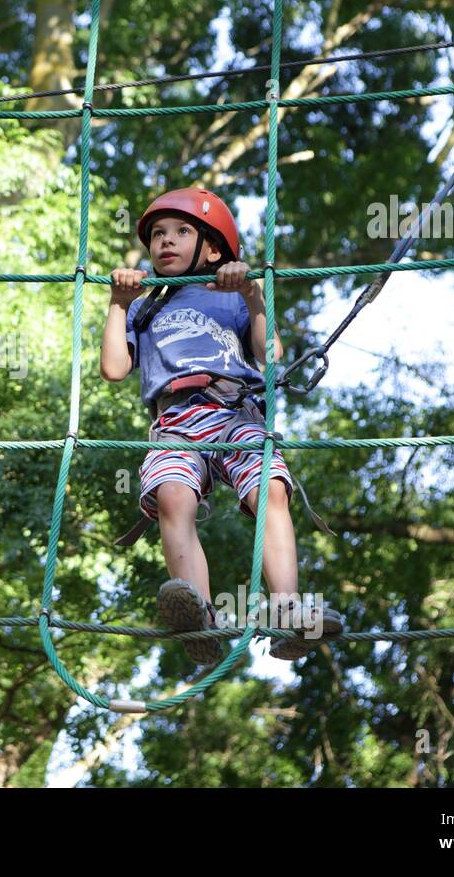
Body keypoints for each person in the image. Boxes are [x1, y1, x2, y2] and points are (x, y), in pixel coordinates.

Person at [99, 186, 342, 665]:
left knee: (269, 486)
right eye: (158, 235)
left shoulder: (229, 296)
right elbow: (112, 367)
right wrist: (118, 303)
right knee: (172, 494)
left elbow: (269, 355)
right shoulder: (147, 305)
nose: (165, 241)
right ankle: (198, 615)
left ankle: (287, 609)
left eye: (181, 232)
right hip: (176, 420)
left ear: (213, 248)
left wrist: (253, 295)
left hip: (235, 412)